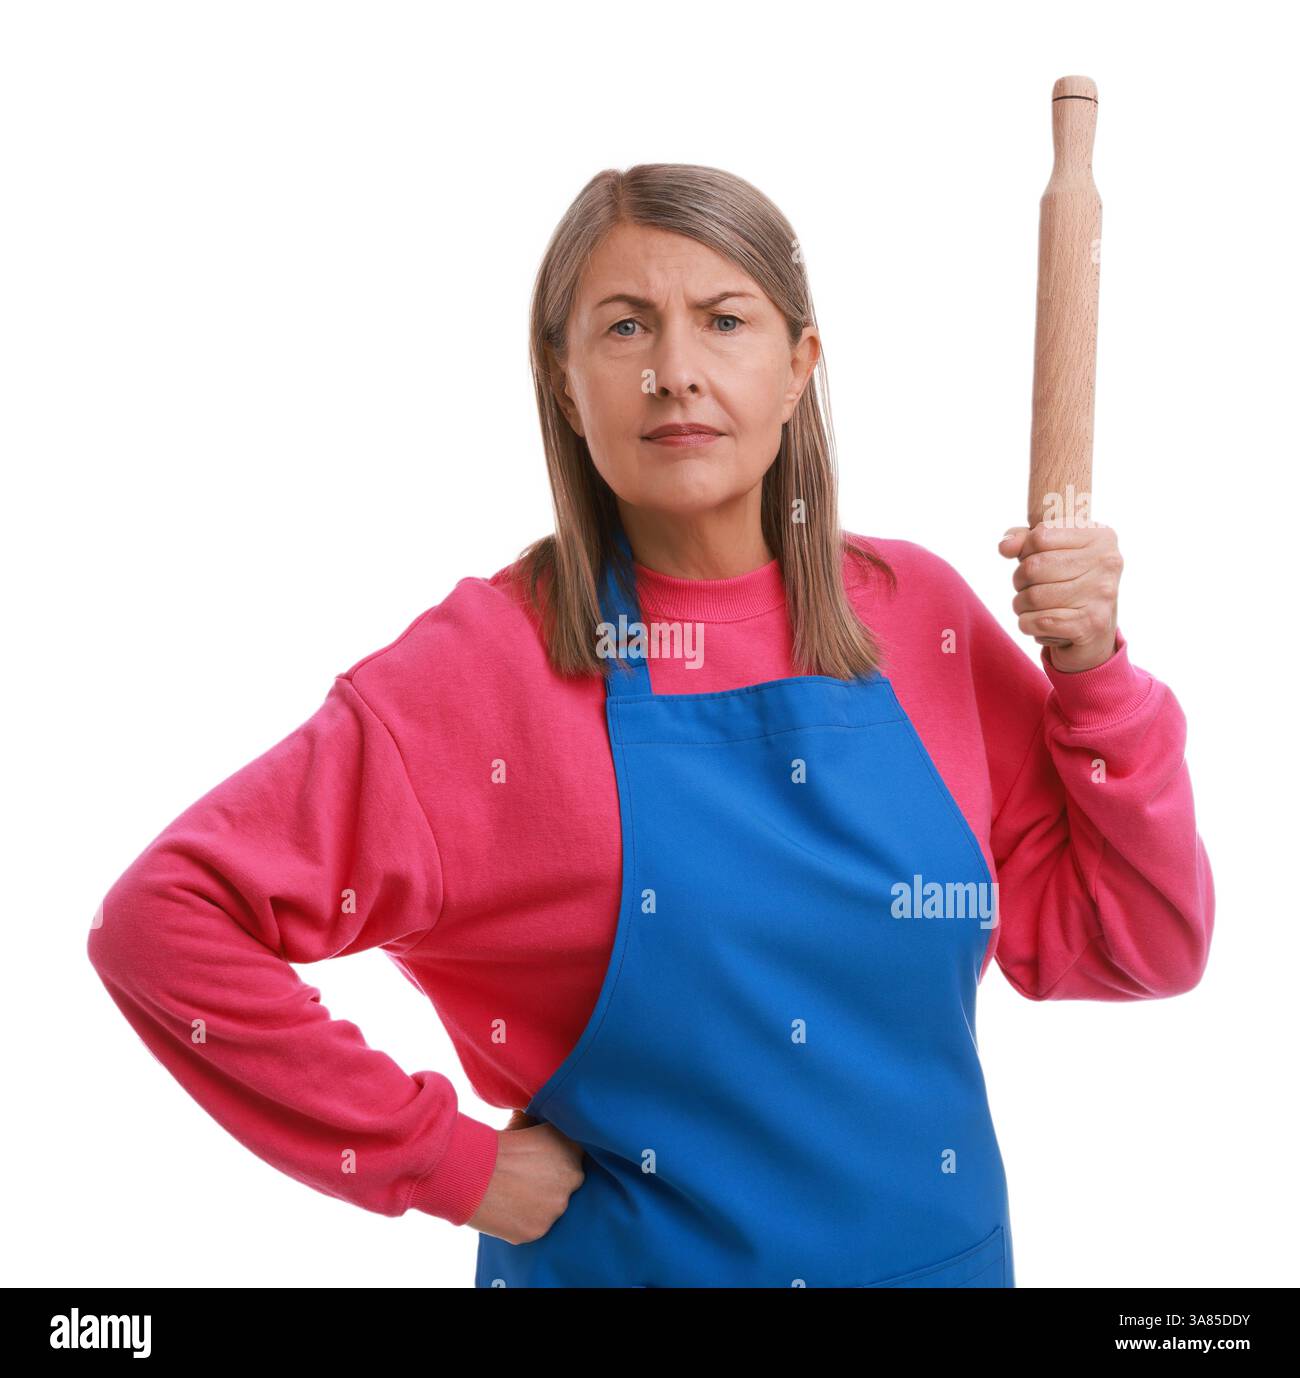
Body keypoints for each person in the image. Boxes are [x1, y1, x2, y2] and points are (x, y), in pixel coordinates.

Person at [87, 163, 1214, 1288]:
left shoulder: (916, 618)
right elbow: (164, 922)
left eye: (724, 321)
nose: (676, 373)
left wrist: (1094, 673)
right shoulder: (483, 671)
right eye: (625, 327)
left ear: (797, 369)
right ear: (566, 383)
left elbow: (1140, 944)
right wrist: (444, 1160)